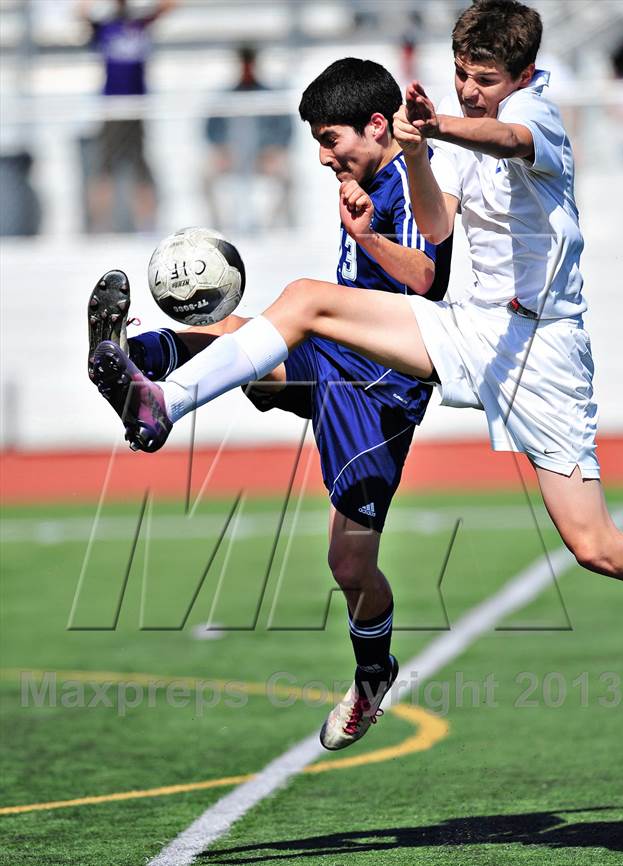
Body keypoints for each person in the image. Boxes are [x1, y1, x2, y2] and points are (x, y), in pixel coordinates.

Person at [88, 58, 453, 750]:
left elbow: (430, 281)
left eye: (331, 138)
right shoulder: (361, 175)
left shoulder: (407, 179)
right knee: (245, 341)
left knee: (349, 567)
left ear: (377, 126)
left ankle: (373, 676)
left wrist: (366, 234)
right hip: (334, 358)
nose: (322, 156)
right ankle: (136, 363)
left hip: (382, 390)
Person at [78, 0, 176, 232]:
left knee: (140, 166)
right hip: (112, 108)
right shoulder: (104, 25)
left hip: (137, 108)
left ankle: (147, 225)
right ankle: (100, 227)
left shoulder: (139, 22)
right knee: (104, 168)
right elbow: (79, 12)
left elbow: (171, 6)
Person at [203, 45, 294, 232]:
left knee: (288, 176)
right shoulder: (225, 97)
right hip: (232, 156)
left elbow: (286, 129)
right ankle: (219, 228)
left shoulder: (269, 95)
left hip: (263, 156)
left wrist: (273, 149)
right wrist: (222, 149)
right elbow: (210, 130)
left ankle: (272, 227)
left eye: (249, 64)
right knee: (204, 175)